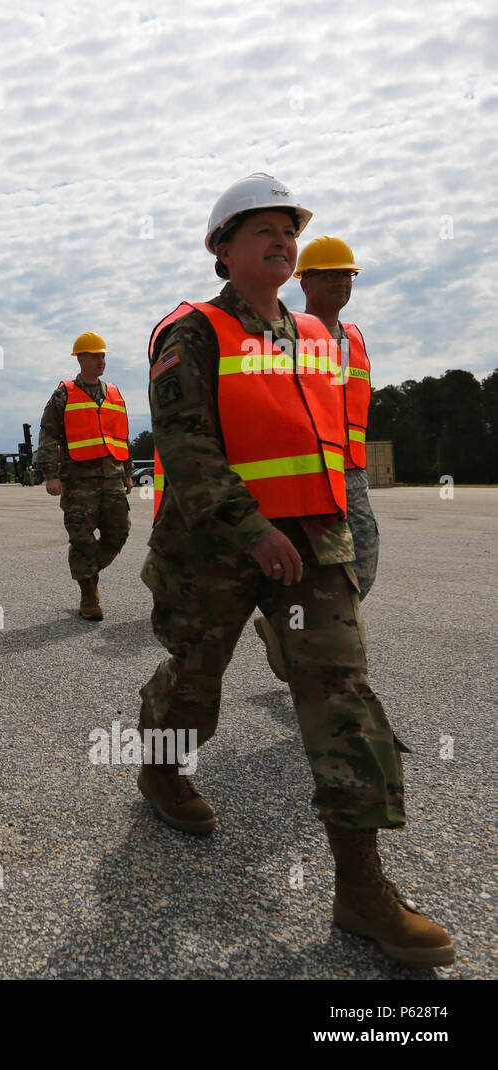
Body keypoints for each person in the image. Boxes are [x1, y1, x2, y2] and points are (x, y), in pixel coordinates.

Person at [139, 173, 452, 968]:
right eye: (263, 231)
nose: (283, 242)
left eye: (290, 231)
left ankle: (362, 889)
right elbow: (184, 445)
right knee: (195, 676)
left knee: (343, 696)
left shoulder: (315, 338)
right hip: (216, 543)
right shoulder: (193, 333)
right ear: (222, 251)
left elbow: (325, 439)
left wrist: (335, 524)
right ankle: (161, 764)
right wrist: (250, 530)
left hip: (313, 544)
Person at [253, 237, 379, 681]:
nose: (341, 282)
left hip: (351, 472)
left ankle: (278, 629)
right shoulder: (285, 334)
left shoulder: (356, 338)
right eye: (329, 274)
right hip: (306, 475)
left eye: (347, 274)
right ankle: (333, 674)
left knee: (363, 566)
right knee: (317, 578)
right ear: (304, 281)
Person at [34, 332, 133, 619]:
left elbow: (121, 435)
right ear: (80, 359)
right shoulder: (64, 393)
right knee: (82, 539)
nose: (101, 361)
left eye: (103, 355)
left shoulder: (114, 392)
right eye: (94, 355)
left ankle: (86, 570)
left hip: (113, 477)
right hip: (78, 481)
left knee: (119, 533)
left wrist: (127, 473)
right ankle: (89, 596)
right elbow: (49, 433)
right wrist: (50, 474)